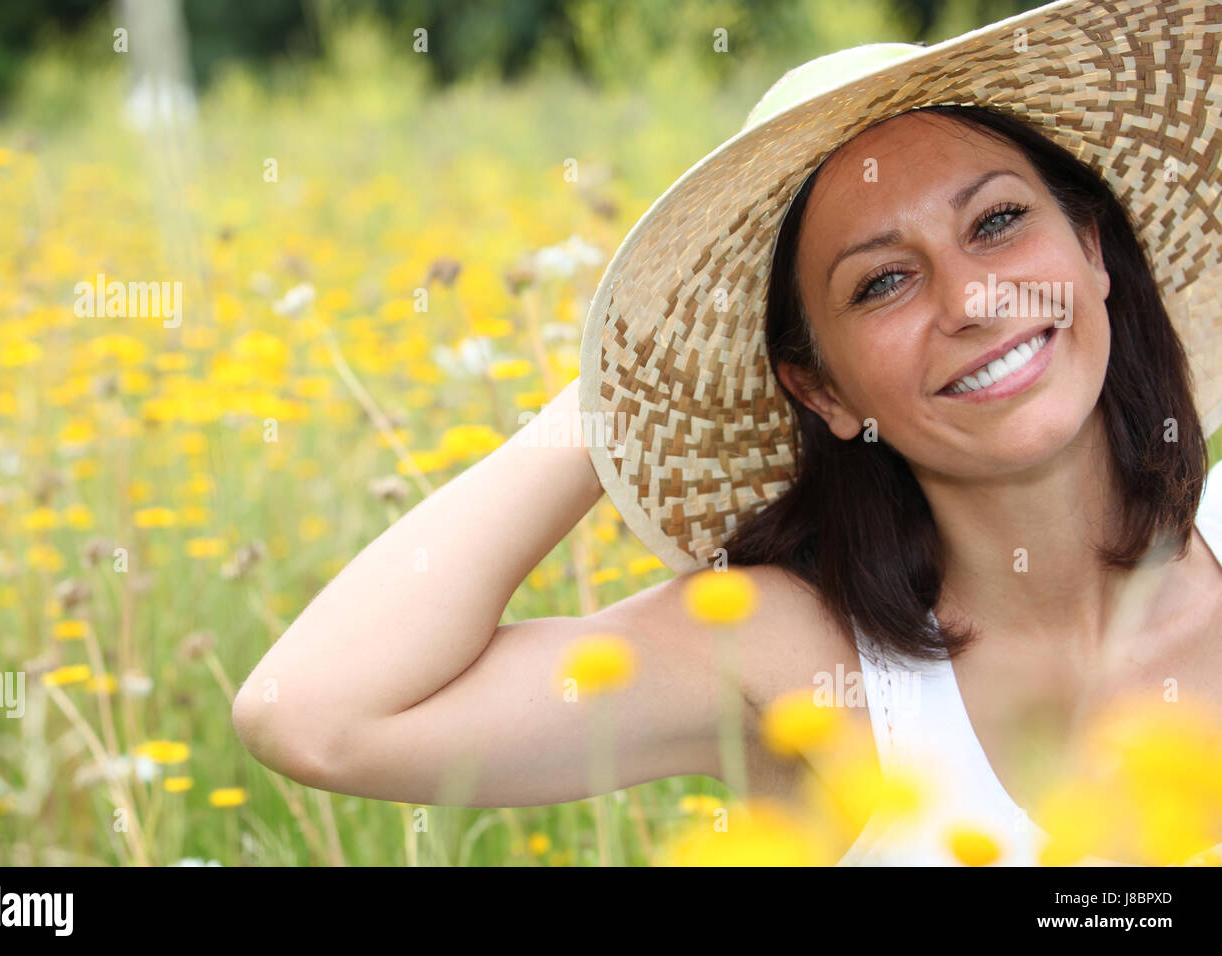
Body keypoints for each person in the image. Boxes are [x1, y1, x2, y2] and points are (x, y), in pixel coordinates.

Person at [233, 0, 1222, 865]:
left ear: (1092, 248)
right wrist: (620, 389)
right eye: (882, 280)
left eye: (998, 221)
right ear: (820, 389)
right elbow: (315, 712)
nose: (969, 298)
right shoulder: (791, 654)